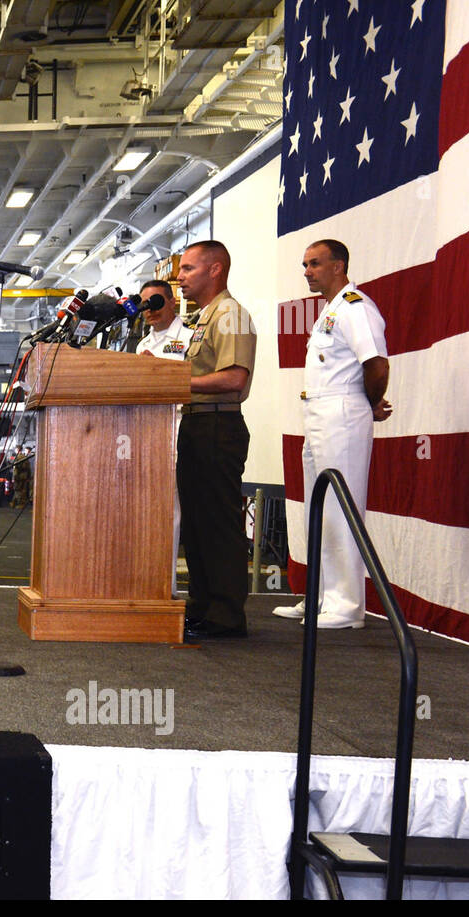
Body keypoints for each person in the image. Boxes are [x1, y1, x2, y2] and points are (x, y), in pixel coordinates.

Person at [273, 239, 391, 631]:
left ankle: (347, 605)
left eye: (314, 263)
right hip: (319, 413)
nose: (307, 271)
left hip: (342, 412)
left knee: (342, 507)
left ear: (338, 266)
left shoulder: (357, 307)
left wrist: (367, 403)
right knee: (318, 509)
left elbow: (376, 364)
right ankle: (321, 596)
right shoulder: (331, 310)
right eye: (305, 264)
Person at [175, 240, 257, 642]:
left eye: (188, 268)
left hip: (217, 427)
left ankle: (226, 614)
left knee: (218, 523)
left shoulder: (231, 315)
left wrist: (174, 382)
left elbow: (235, 379)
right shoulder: (206, 316)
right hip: (196, 425)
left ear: (215, 269)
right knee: (196, 523)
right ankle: (203, 606)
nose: (179, 277)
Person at [137, 278, 193, 589]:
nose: (150, 310)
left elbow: (189, 382)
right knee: (145, 514)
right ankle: (145, 581)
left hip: (176, 432)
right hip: (146, 435)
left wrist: (156, 367)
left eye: (156, 302)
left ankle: (166, 586)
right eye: (145, 304)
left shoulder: (189, 338)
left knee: (169, 514)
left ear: (172, 302)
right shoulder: (142, 344)